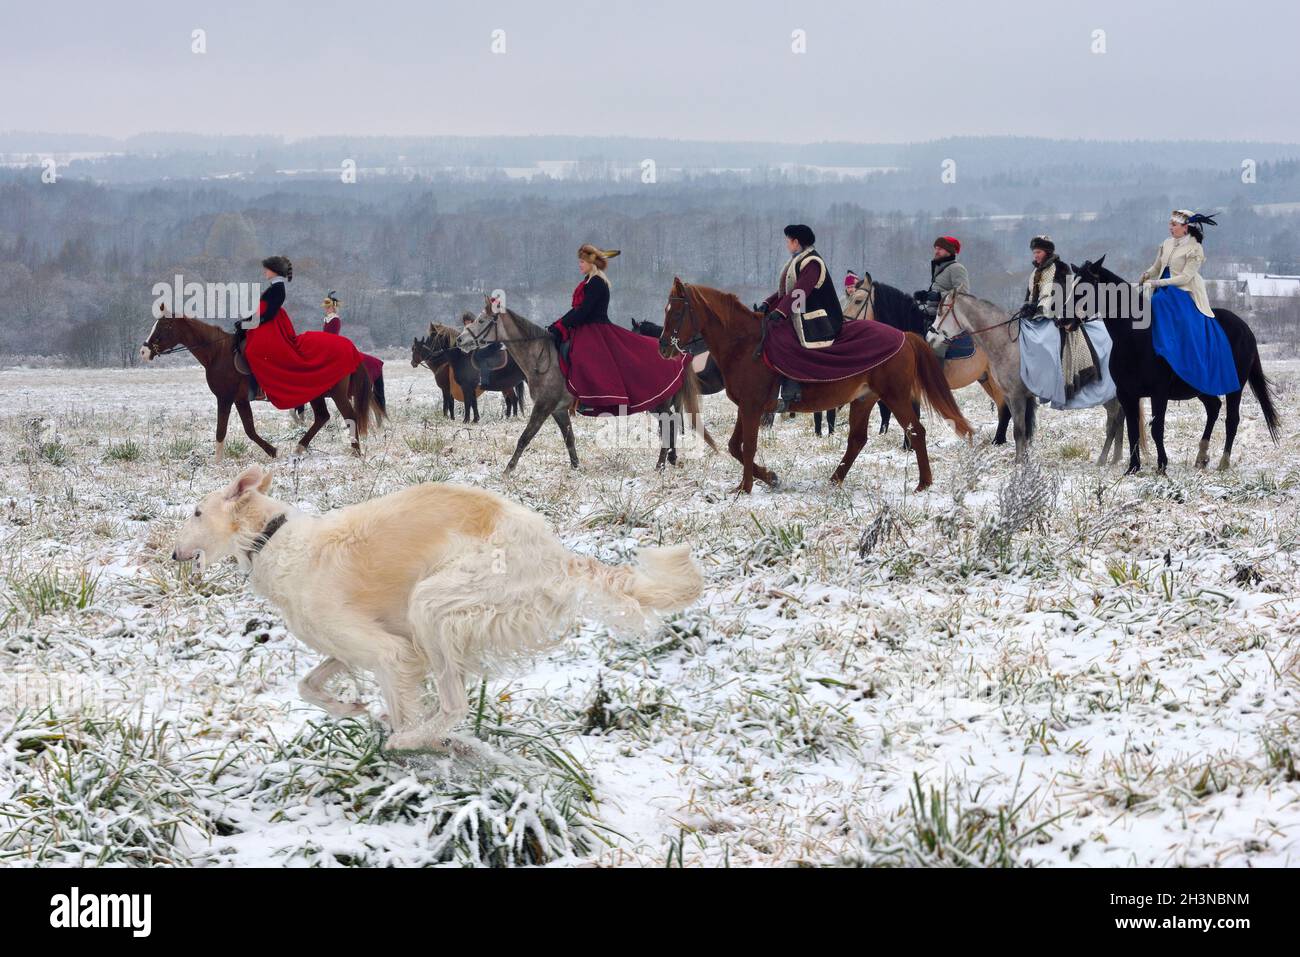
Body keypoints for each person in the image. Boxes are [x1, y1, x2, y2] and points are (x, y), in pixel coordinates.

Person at [546, 244, 689, 417]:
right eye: (579, 261)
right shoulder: (587, 281)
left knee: (583, 357)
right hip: (585, 328)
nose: (579, 264)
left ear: (592, 263)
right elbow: (577, 309)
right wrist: (557, 324)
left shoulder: (597, 283)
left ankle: (588, 399)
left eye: (582, 261)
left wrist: (562, 325)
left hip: (595, 329)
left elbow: (584, 311)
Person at [235, 256, 362, 411]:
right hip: (264, 325)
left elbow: (268, 314)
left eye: (267, 269)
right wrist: (246, 321)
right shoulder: (272, 288)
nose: (265, 272)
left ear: (274, 271)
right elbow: (260, 311)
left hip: (271, 327)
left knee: (254, 351)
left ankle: (259, 389)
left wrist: (249, 323)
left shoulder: (278, 289)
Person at [1139, 210, 1237, 396]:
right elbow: (1158, 267)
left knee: (1159, 302)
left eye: (1174, 225)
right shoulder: (1166, 244)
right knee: (1150, 304)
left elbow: (1185, 277)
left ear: (1185, 228)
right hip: (1163, 287)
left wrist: (1158, 282)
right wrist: (1147, 274)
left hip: (1184, 290)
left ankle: (1173, 351)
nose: (1170, 227)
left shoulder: (1195, 249)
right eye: (1170, 224)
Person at [760, 224, 843, 411]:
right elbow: (787, 291)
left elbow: (800, 292)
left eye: (788, 241)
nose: (787, 245)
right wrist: (768, 303)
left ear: (796, 242)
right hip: (801, 314)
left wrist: (780, 312)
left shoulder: (812, 263)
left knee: (785, 340)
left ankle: (793, 389)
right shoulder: (798, 260)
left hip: (818, 319)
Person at [1014, 236, 1098, 401]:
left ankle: (1055, 380)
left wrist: (1041, 308)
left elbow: (1062, 296)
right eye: (1034, 252)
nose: (1035, 255)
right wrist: (1027, 306)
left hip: (1055, 316)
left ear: (1047, 251)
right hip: (1036, 316)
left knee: (1047, 342)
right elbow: (1029, 295)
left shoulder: (1060, 268)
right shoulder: (1035, 272)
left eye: (1038, 252)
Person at [912, 236, 969, 359]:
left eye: (940, 249)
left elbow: (963, 292)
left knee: (936, 345)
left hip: (946, 315)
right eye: (936, 248)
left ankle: (936, 372)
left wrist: (939, 296)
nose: (936, 251)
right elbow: (940, 290)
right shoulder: (940, 268)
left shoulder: (957, 268)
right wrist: (925, 296)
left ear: (950, 251)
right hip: (934, 311)